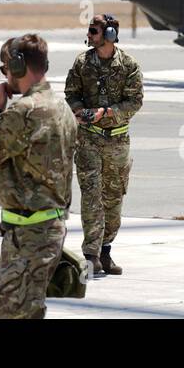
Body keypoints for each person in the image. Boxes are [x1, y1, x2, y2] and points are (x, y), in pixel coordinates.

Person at [0, 34, 77, 319]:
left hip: (29, 235)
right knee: (29, 310)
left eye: (5, 68)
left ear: (18, 67)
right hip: (47, 230)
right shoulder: (62, 108)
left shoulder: (23, 111)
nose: (5, 75)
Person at [65, 14, 143, 276]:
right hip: (87, 139)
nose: (89, 35)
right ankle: (91, 255)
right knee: (91, 197)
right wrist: (79, 111)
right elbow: (71, 94)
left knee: (113, 199)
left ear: (109, 34)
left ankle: (106, 251)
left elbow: (135, 102)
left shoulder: (129, 65)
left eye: (94, 31)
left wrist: (106, 112)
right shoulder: (82, 63)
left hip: (118, 142)